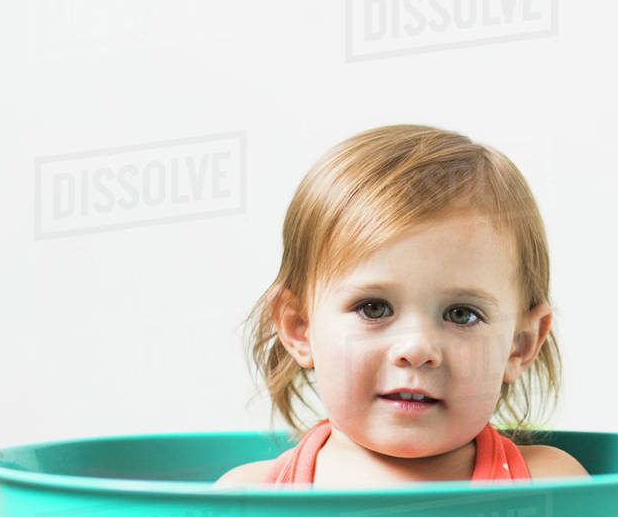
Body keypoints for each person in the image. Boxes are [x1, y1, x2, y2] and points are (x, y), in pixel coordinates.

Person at [215, 124, 591, 488]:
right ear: (300, 327)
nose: (416, 349)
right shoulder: (250, 498)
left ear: (519, 344)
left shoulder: (552, 487)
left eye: (462, 314)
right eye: (374, 308)